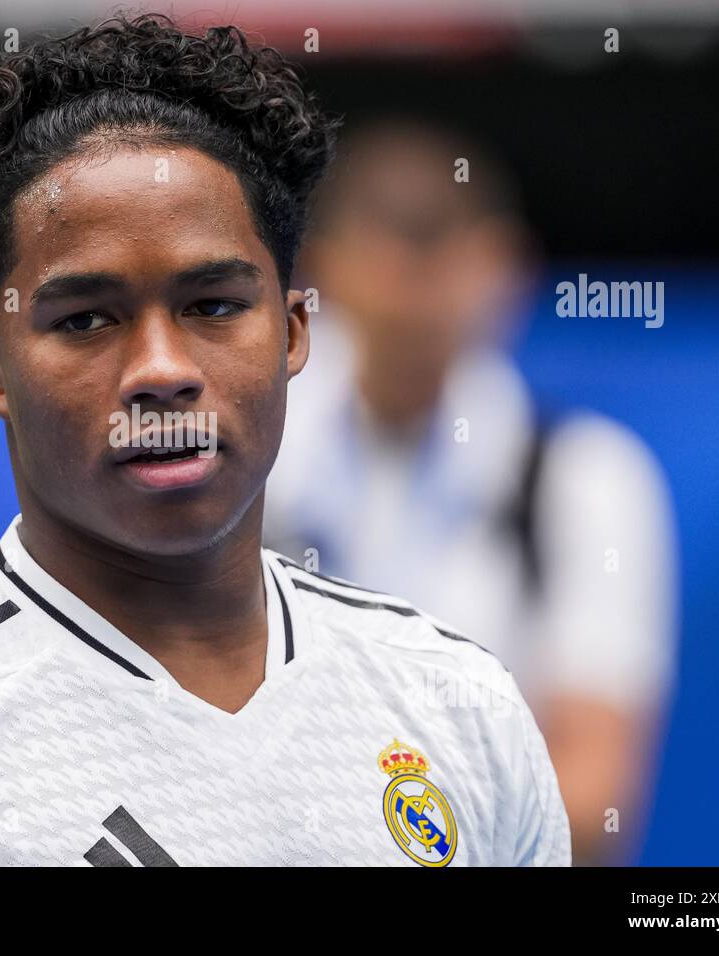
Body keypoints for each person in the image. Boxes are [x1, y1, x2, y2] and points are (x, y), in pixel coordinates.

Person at [0, 14, 570, 867]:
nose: (161, 369)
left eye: (212, 306)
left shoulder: (462, 706)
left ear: (295, 333)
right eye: (86, 319)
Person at [265, 119, 676, 865]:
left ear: (502, 265)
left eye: (439, 251)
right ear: (322, 277)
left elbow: (593, 804)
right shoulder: (245, 467)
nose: (414, 293)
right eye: (389, 253)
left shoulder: (588, 479)